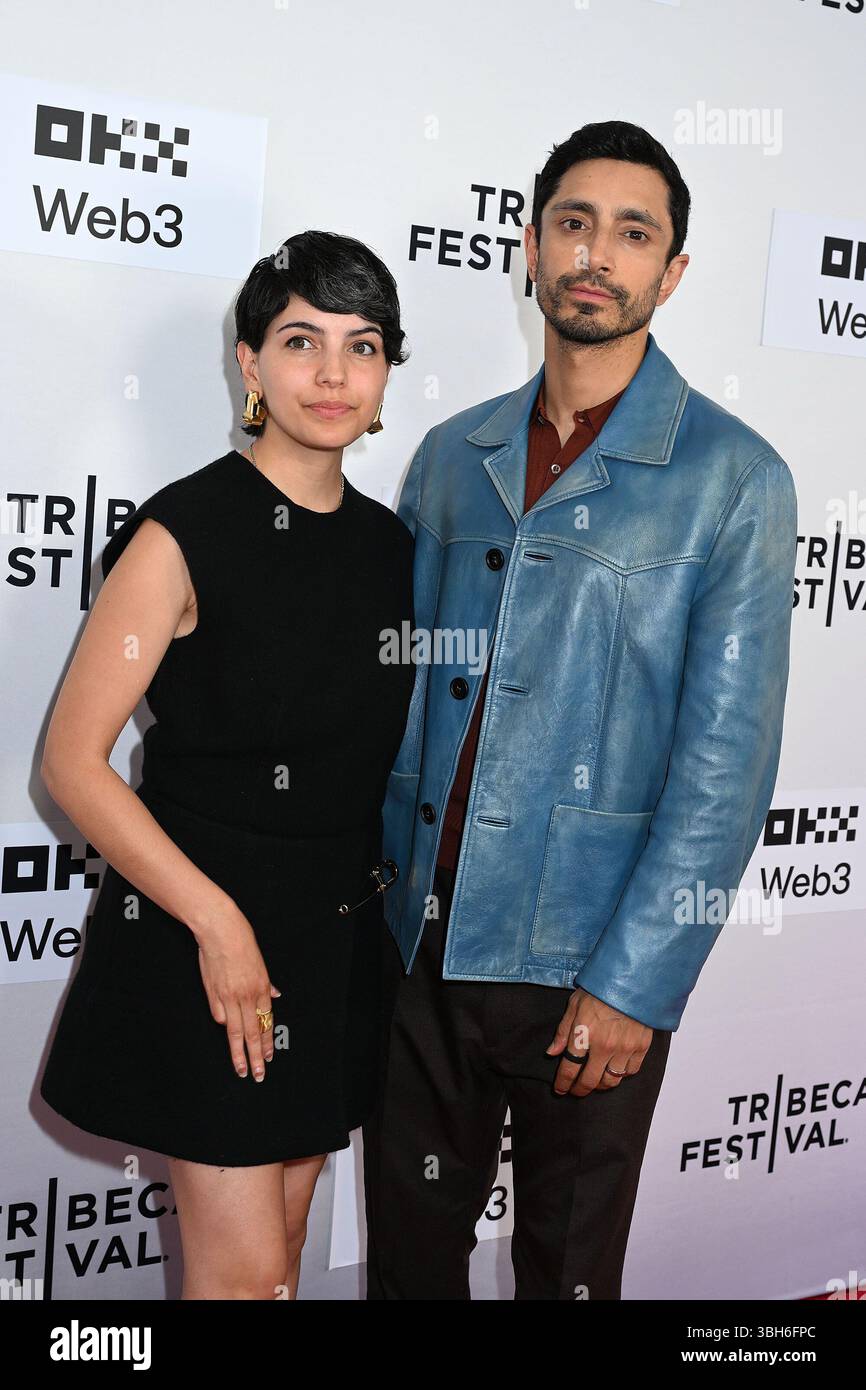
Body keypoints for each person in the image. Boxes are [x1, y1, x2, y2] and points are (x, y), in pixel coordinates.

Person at [363, 120, 798, 1300]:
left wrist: (633, 983)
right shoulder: (453, 457)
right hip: (422, 953)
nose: (594, 254)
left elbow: (723, 767)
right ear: (530, 246)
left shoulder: (733, 478)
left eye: (631, 231)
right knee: (407, 1273)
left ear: (671, 272)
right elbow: (398, 696)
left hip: (585, 978)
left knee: (566, 1279)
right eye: (572, 223)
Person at [39, 229, 416, 1300]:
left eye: (362, 344)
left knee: (277, 1268)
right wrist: (216, 922)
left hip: (331, 944)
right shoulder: (182, 532)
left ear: (388, 369)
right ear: (248, 363)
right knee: (244, 1283)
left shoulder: (393, 550)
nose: (332, 374)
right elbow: (73, 760)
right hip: (203, 942)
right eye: (301, 341)